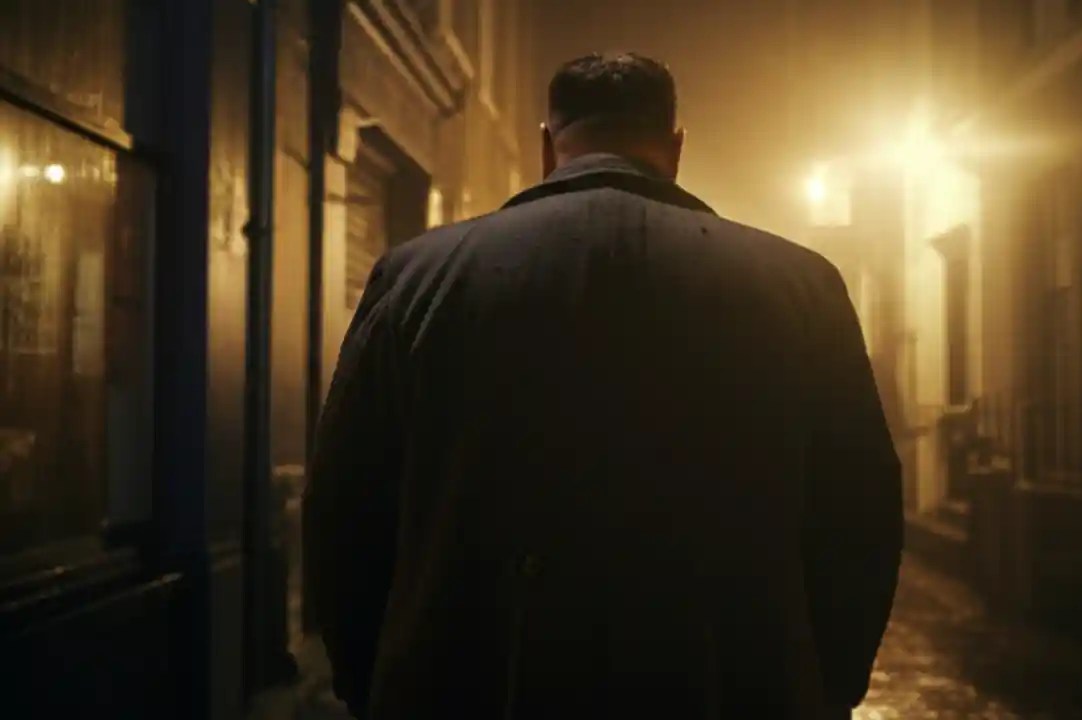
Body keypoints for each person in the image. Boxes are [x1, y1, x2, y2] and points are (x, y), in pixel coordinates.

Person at [304, 52, 902, 720]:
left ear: (544, 144)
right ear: (675, 147)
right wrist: (820, 689)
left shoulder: (416, 278)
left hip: (472, 684)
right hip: (729, 685)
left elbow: (346, 510)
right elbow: (859, 516)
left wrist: (379, 683)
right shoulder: (802, 287)